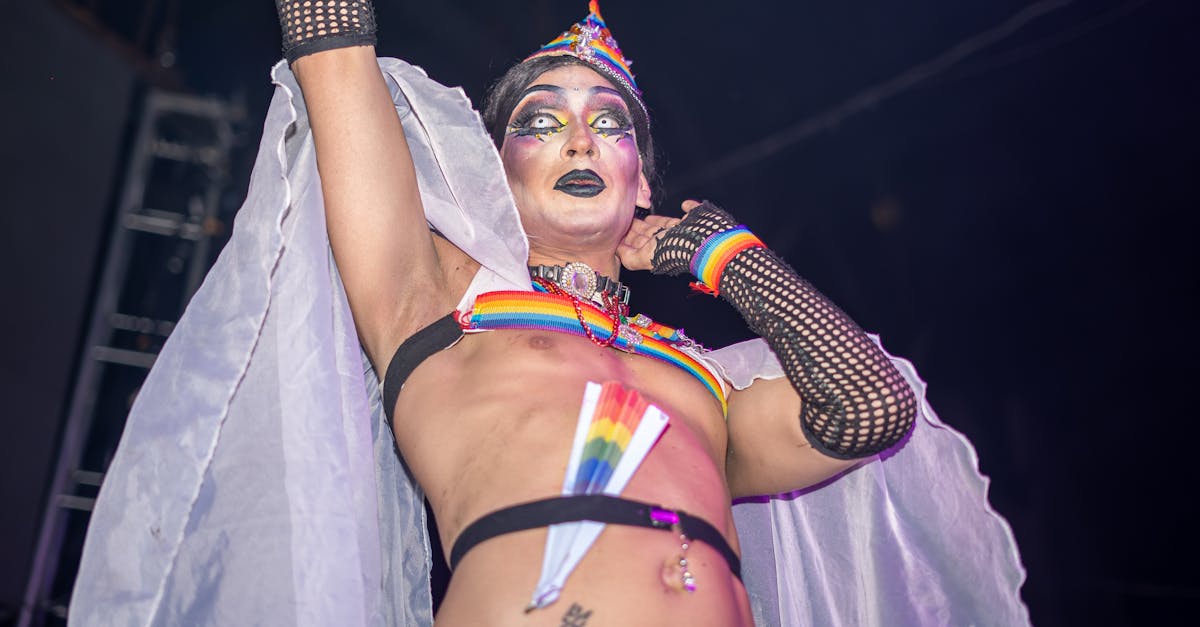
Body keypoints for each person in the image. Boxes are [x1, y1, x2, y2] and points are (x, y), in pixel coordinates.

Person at [72, 2, 1029, 625]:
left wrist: (733, 258)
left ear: (640, 178)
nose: (578, 133)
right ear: (496, 168)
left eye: (609, 123)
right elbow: (332, 45)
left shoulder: (707, 383)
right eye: (540, 118)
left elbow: (869, 411)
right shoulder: (435, 301)